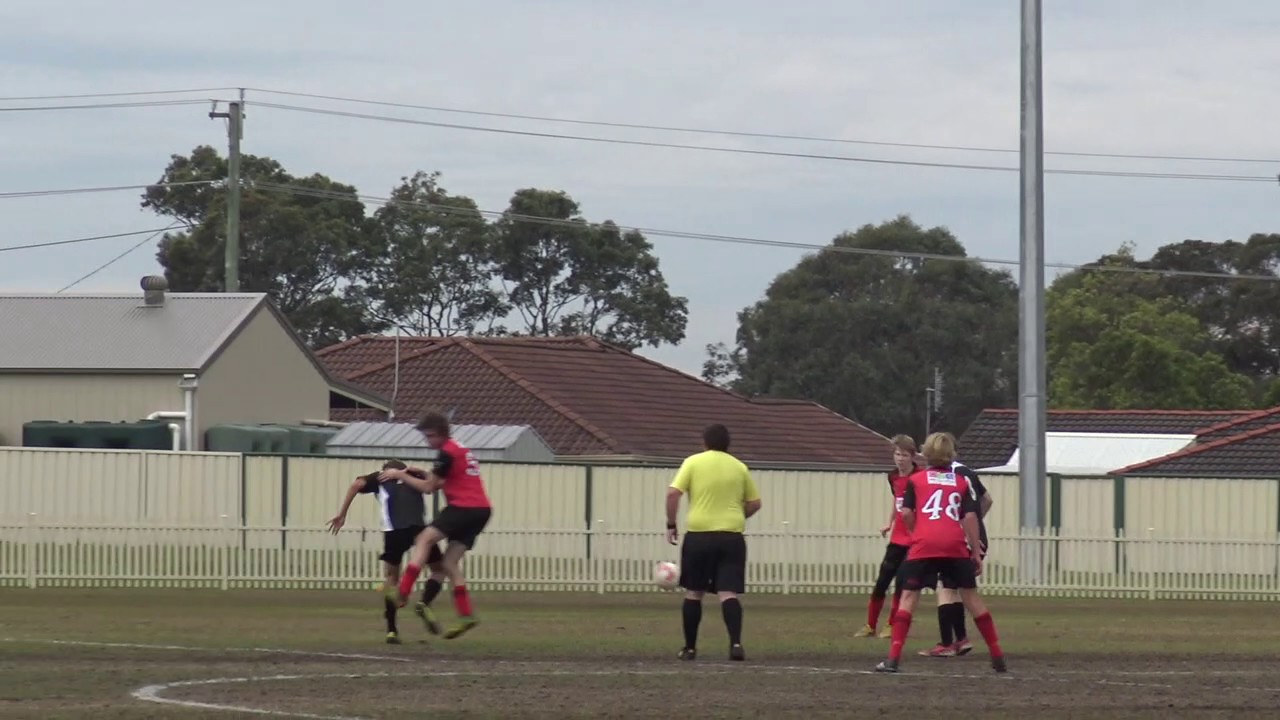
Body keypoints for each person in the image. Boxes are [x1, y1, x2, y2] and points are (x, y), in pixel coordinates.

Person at [875, 431, 1006, 674]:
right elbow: (969, 517)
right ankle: (997, 655)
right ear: (951, 454)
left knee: (908, 598)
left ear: (926, 454)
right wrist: (975, 552)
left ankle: (893, 659)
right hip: (955, 544)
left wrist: (916, 534)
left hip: (925, 543)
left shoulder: (917, 480)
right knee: (972, 598)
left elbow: (905, 513)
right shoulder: (960, 482)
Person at [381, 412, 493, 640]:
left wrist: (399, 473)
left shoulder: (446, 452)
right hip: (482, 510)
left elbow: (429, 488)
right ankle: (466, 615)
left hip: (463, 507)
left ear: (441, 433)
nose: (428, 441)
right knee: (449, 563)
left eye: (430, 436)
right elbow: (443, 480)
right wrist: (425, 474)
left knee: (424, 539)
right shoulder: (460, 449)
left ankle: (403, 591)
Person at [665, 423, 762, 662]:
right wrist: (738, 516)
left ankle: (689, 648)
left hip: (699, 534)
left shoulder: (693, 462)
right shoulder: (739, 467)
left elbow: (673, 493)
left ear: (705, 442)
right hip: (731, 536)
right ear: (728, 443)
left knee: (694, 592)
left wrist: (671, 523)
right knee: (728, 592)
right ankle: (736, 644)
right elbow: (755, 503)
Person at [327, 459, 447, 644]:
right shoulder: (412, 476)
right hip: (419, 530)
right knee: (439, 569)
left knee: (391, 578)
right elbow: (435, 484)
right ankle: (425, 603)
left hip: (393, 532)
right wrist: (419, 471)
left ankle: (391, 630)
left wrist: (342, 514)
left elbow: (356, 484)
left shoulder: (379, 478)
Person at [918, 456, 993, 658]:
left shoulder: (943, 475)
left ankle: (947, 643)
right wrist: (976, 521)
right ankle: (961, 640)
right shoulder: (968, 472)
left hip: (957, 539)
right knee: (956, 588)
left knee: (945, 589)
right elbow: (987, 500)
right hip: (977, 537)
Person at [855, 434, 918, 639]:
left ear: (912, 456)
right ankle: (870, 625)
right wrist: (889, 522)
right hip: (896, 539)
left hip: (913, 541)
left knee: (901, 584)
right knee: (882, 582)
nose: (900, 459)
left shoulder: (920, 478)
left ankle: (891, 624)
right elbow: (897, 501)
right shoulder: (893, 477)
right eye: (897, 454)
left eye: (905, 455)